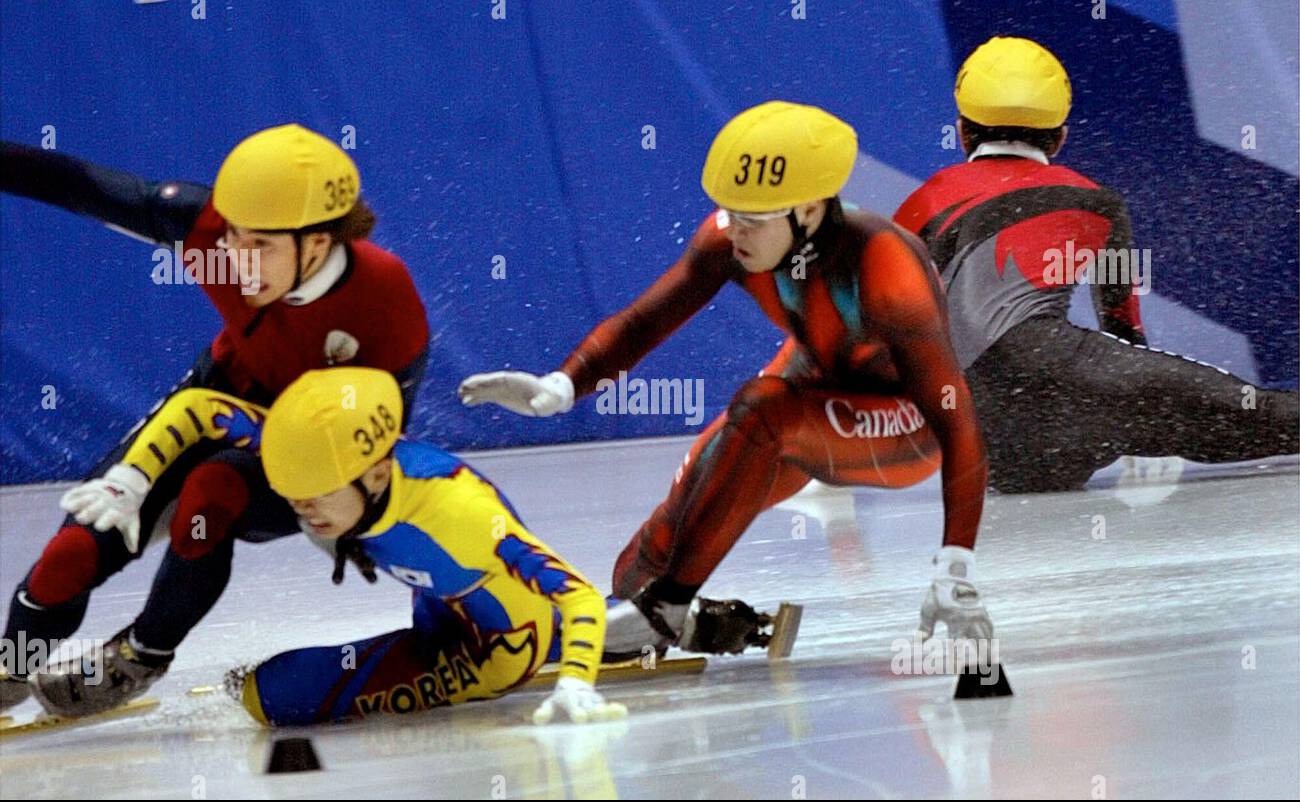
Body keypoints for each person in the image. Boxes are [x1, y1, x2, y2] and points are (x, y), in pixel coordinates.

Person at [460, 101, 993, 658]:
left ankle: (666, 609)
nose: (733, 230)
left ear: (809, 212)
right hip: (813, 383)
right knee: (655, 548)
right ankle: (676, 619)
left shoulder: (886, 270)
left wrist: (956, 566)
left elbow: (956, 422)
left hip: (905, 422)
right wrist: (562, 386)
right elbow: (645, 320)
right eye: (729, 210)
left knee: (761, 409)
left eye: (754, 219)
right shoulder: (731, 239)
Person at [0, 125, 431, 712]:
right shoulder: (205, 231)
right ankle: (12, 667)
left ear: (319, 242)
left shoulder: (384, 298)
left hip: (306, 445)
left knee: (210, 494)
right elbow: (75, 184)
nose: (239, 262)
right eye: (233, 238)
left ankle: (142, 653)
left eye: (262, 246)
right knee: (73, 552)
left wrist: (361, 517)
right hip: (213, 400)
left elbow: (381, 440)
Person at [892, 36, 1298, 493]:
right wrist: (1141, 416)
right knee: (1266, 417)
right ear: (1061, 136)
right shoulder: (1096, 202)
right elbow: (1123, 326)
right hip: (1083, 398)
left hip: (988, 444)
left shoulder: (919, 205)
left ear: (963, 131)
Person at [207, 367, 623, 726]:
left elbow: (578, 594)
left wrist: (576, 680)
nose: (302, 508)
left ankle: (601, 630)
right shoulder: (336, 459)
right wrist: (139, 477)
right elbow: (202, 410)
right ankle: (632, 623)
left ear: (376, 476)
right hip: (443, 608)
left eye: (318, 493)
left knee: (268, 697)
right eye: (295, 493)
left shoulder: (462, 513)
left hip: (493, 650)